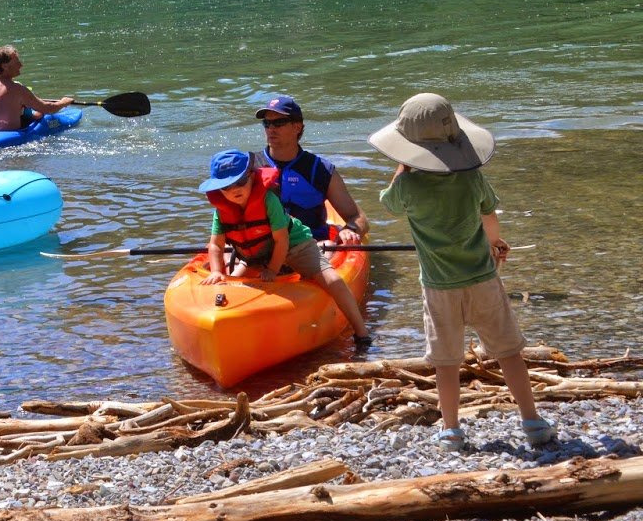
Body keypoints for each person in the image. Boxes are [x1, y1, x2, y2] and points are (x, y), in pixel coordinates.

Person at [370, 92, 554, 451]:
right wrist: (496, 242)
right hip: (483, 279)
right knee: (508, 351)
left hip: (439, 286)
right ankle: (531, 421)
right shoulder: (471, 179)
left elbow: (389, 204)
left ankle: (452, 429)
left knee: (446, 361)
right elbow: (489, 216)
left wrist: (402, 167)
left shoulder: (407, 184)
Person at [198, 149, 372, 348]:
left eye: (240, 182)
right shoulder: (221, 211)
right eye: (226, 186)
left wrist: (272, 270)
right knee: (231, 285)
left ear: (252, 176)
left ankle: (362, 333)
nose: (234, 189)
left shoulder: (268, 201)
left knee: (332, 279)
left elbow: (282, 240)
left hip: (295, 246)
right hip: (257, 254)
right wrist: (218, 272)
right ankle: (236, 337)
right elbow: (216, 245)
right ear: (218, 189)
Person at [253, 95, 370, 246]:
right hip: (265, 248)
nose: (271, 129)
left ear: (297, 127)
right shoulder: (250, 167)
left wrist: (349, 230)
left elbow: (358, 218)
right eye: (266, 123)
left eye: (279, 122)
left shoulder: (321, 169)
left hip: (314, 247)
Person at [0, 45, 74, 132]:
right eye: (17, 62)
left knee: (31, 115)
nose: (21, 65)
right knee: (39, 114)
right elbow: (48, 108)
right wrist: (63, 102)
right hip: (10, 140)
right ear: (4, 66)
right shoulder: (18, 89)